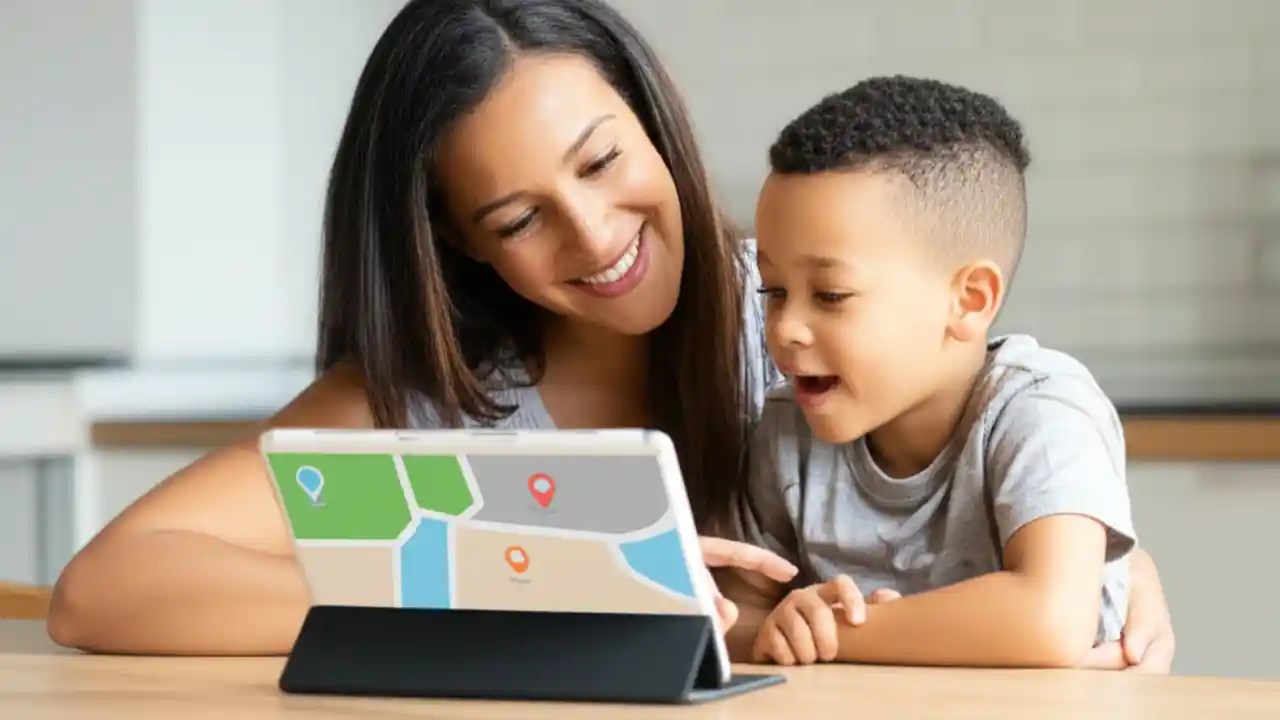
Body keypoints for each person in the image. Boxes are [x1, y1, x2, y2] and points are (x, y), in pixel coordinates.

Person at [43, 1, 1173, 670]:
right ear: (459, 245)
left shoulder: (788, 328)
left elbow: (969, 468)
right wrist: (515, 583)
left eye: (601, 161)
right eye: (517, 218)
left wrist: (1105, 572)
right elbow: (105, 589)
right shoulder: (440, 400)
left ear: (652, 110)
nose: (596, 238)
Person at [720, 75, 1159, 670]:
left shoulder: (1043, 412)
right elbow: (728, 620)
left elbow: (1049, 621)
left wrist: (836, 637)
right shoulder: (785, 432)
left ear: (969, 301)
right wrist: (777, 626)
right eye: (774, 290)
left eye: (830, 294)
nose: (785, 328)